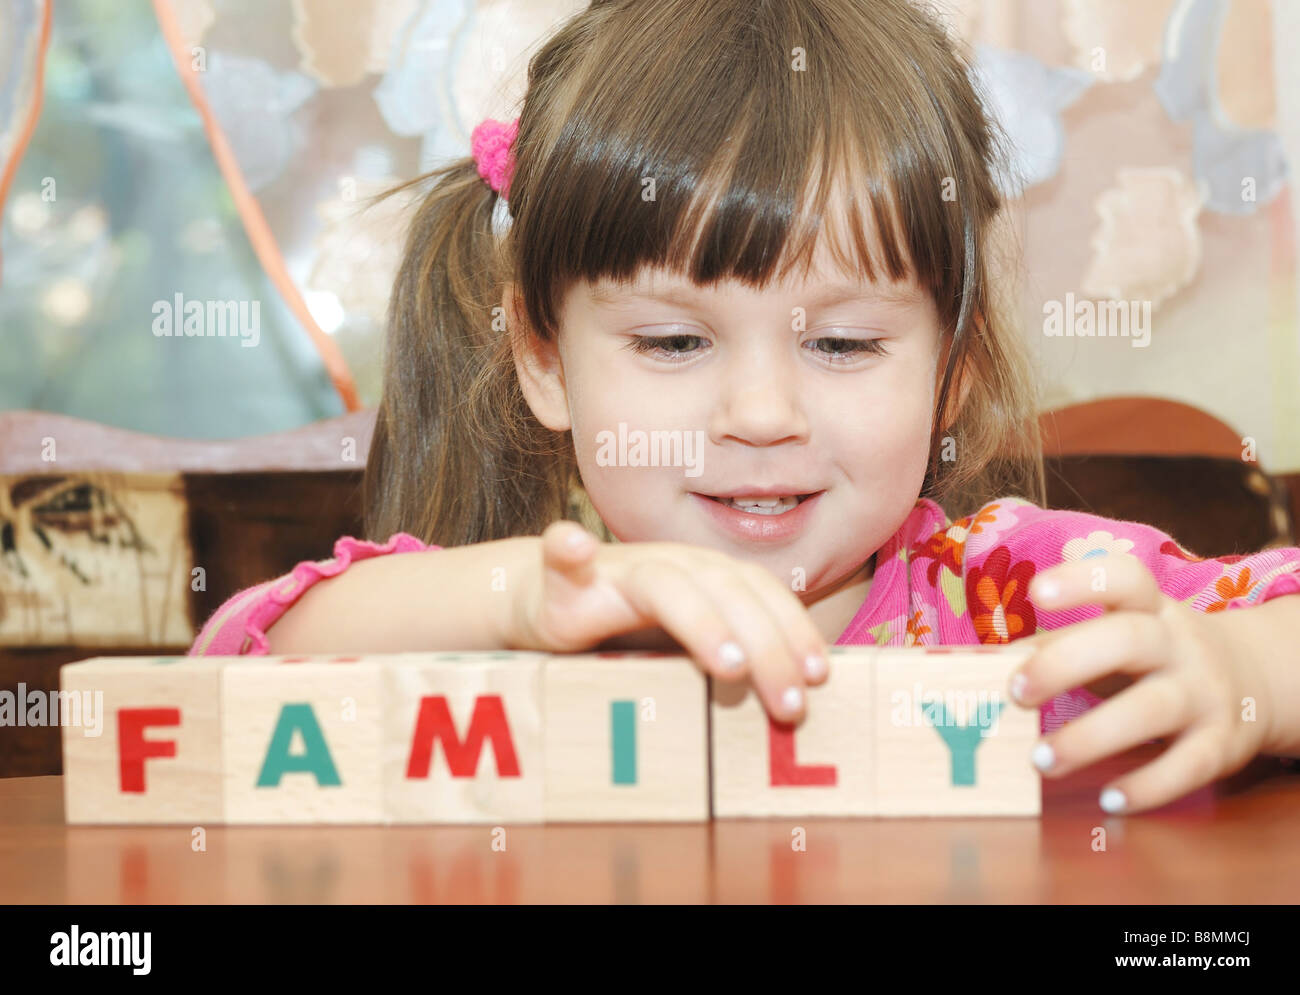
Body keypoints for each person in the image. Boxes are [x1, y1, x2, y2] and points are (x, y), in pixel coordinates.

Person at [189, 0, 1300, 814]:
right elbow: (225, 678)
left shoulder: (1021, 600)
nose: (761, 413)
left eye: (842, 341)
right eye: (673, 341)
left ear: (950, 368)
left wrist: (1243, 674)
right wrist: (515, 600)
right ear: (541, 359)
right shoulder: (508, 629)